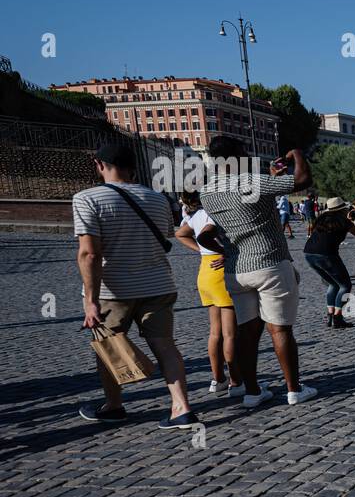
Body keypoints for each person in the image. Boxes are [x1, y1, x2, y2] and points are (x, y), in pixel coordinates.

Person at [73, 142, 198, 428]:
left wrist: (90, 300)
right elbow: (167, 233)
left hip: (112, 291)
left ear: (99, 165)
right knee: (166, 347)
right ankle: (181, 408)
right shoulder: (158, 199)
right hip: (158, 284)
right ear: (133, 168)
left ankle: (114, 405)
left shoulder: (87, 198)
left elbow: (90, 253)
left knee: (109, 347)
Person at [196, 135, 316, 407]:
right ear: (237, 155)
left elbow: (210, 232)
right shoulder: (252, 181)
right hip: (270, 263)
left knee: (246, 333)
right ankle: (294, 389)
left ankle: (251, 392)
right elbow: (302, 180)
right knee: (280, 330)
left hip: (236, 270)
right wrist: (297, 152)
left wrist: (224, 251)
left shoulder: (207, 191)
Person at [176, 191, 242, 394]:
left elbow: (180, 234)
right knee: (230, 334)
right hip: (219, 272)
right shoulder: (215, 214)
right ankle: (236, 382)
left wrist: (201, 251)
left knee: (215, 332)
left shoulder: (195, 215)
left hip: (205, 271)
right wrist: (223, 251)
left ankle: (217, 379)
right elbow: (205, 236)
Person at [304, 197, 355, 329]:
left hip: (309, 253)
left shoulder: (322, 219)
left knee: (333, 284)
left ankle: (330, 316)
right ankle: (338, 317)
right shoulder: (344, 222)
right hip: (327, 255)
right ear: (342, 209)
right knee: (345, 285)